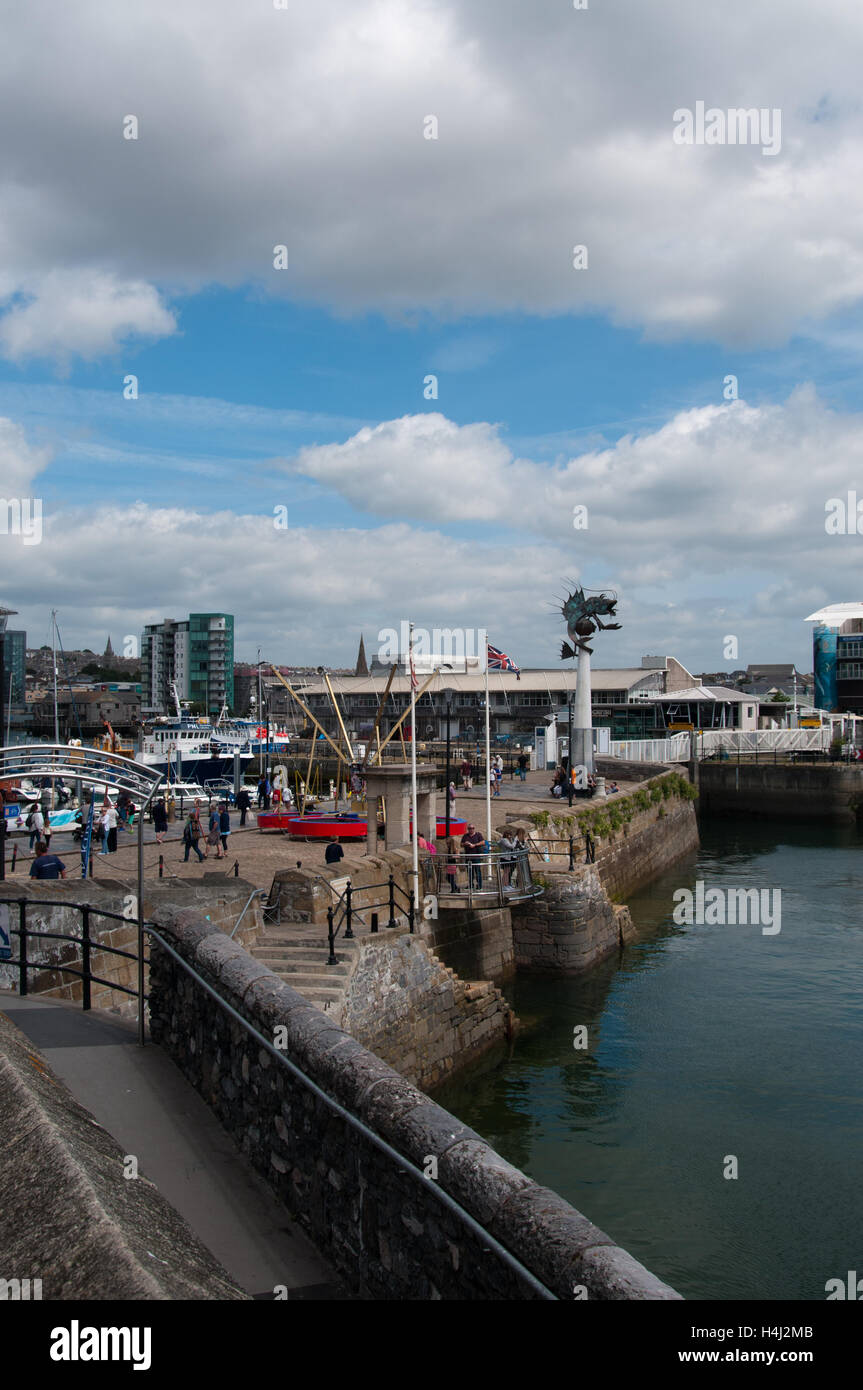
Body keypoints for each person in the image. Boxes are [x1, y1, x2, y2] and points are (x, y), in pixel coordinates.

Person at [461, 822, 485, 890]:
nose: (471, 830)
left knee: (477, 871)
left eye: (472, 828)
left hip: (476, 856)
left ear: (474, 829)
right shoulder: (465, 836)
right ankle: (471, 885)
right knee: (470, 872)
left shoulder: (478, 835)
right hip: (468, 857)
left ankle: (479, 886)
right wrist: (465, 844)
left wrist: (475, 845)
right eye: (469, 828)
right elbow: (461, 844)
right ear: (468, 829)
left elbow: (483, 842)